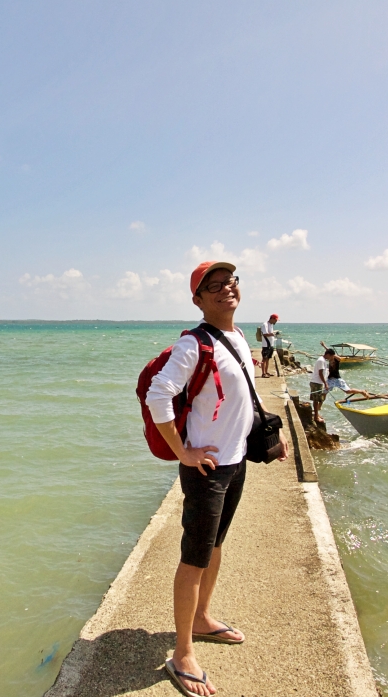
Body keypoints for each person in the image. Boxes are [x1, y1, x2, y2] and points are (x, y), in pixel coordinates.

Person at [146, 261, 288, 697]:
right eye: (214, 286)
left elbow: (242, 397)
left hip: (235, 460)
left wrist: (262, 436)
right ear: (199, 299)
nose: (226, 289)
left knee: (216, 546)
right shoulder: (193, 343)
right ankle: (182, 653)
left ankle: (203, 618)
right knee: (194, 557)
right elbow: (158, 396)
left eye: (231, 282)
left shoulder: (240, 337)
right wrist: (182, 452)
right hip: (205, 470)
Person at [311, 349, 330, 423]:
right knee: (316, 400)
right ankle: (316, 417)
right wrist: (325, 383)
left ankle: (316, 414)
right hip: (316, 383)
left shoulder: (322, 360)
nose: (330, 358)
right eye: (330, 356)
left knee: (319, 399)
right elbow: (320, 373)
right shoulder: (321, 361)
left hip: (318, 383)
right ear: (328, 354)